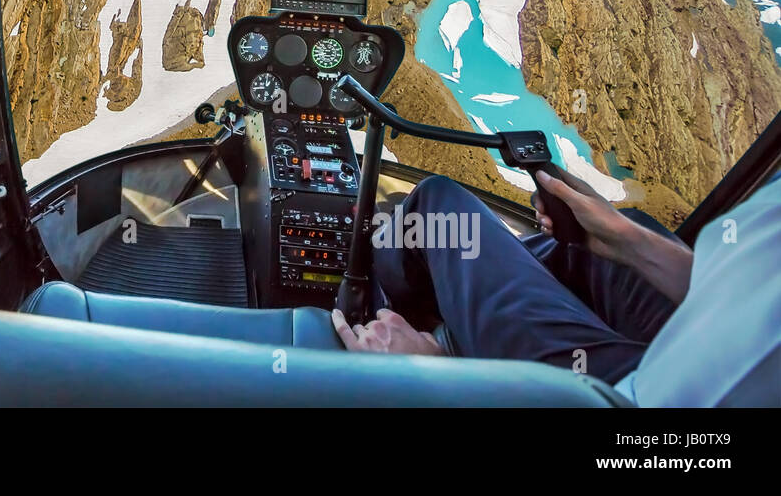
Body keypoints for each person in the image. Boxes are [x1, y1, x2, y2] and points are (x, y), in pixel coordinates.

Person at [330, 168, 781, 405]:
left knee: (441, 210)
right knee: (615, 236)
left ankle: (403, 313)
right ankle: (475, 321)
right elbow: (749, 286)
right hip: (704, 333)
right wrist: (625, 240)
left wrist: (437, 381)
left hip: (632, 399)